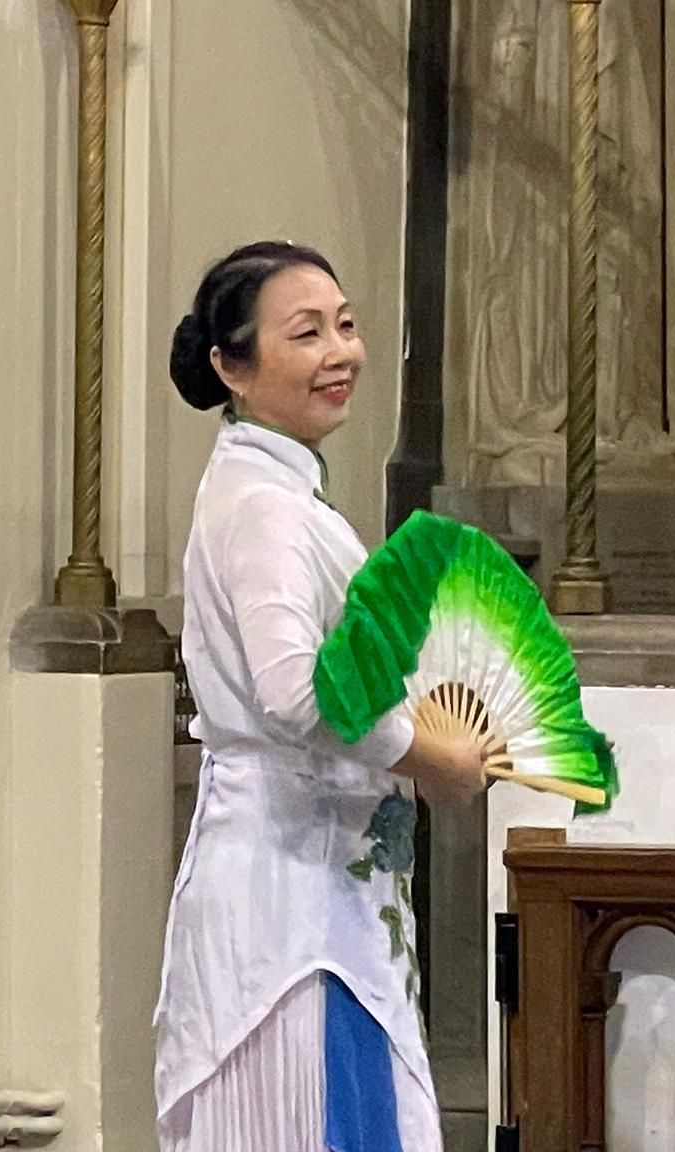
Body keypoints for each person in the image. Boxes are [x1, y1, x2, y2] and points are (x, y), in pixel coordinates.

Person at [154, 241, 486, 1151]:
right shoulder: (265, 505)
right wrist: (434, 757)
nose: (340, 351)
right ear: (232, 365)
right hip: (291, 901)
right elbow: (296, 695)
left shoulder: (274, 488)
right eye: (305, 333)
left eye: (345, 325)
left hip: (317, 880)